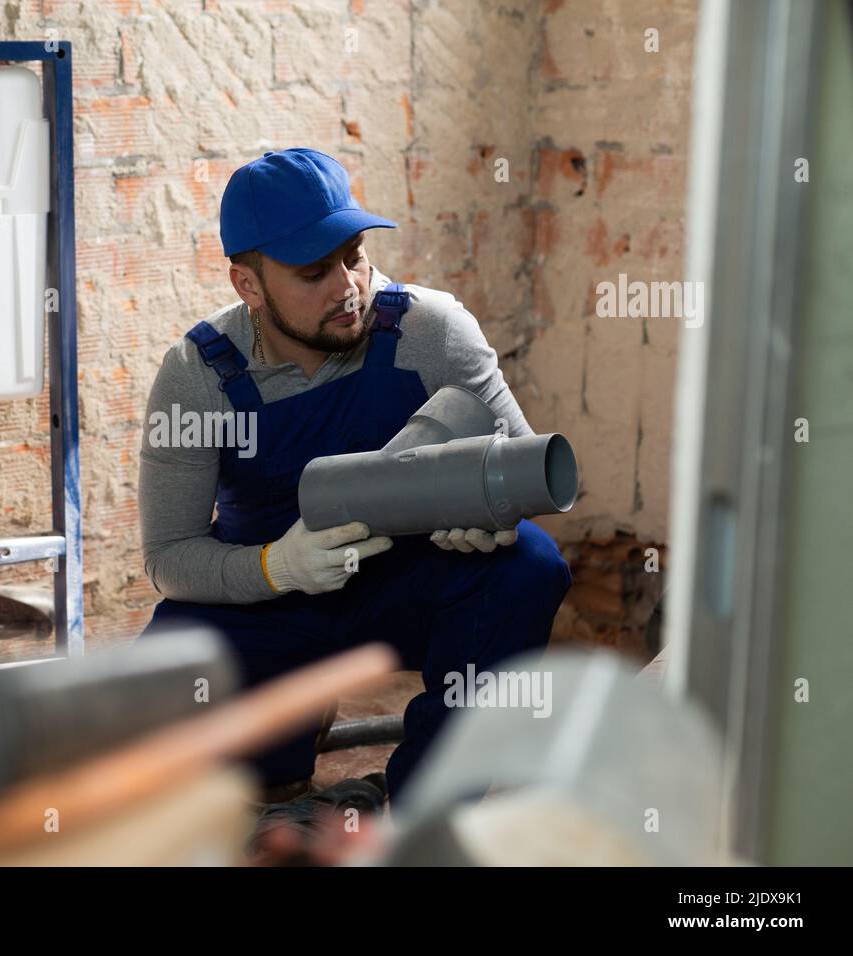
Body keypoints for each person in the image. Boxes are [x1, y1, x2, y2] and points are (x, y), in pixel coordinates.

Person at [137, 148, 572, 803]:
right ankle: (286, 736)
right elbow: (169, 556)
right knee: (167, 725)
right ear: (247, 285)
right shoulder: (199, 378)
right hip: (270, 600)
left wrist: (489, 518)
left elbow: (520, 470)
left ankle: (427, 799)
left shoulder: (431, 333)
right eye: (314, 271)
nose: (347, 285)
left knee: (529, 567)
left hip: (402, 586)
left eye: (353, 255)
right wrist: (275, 568)